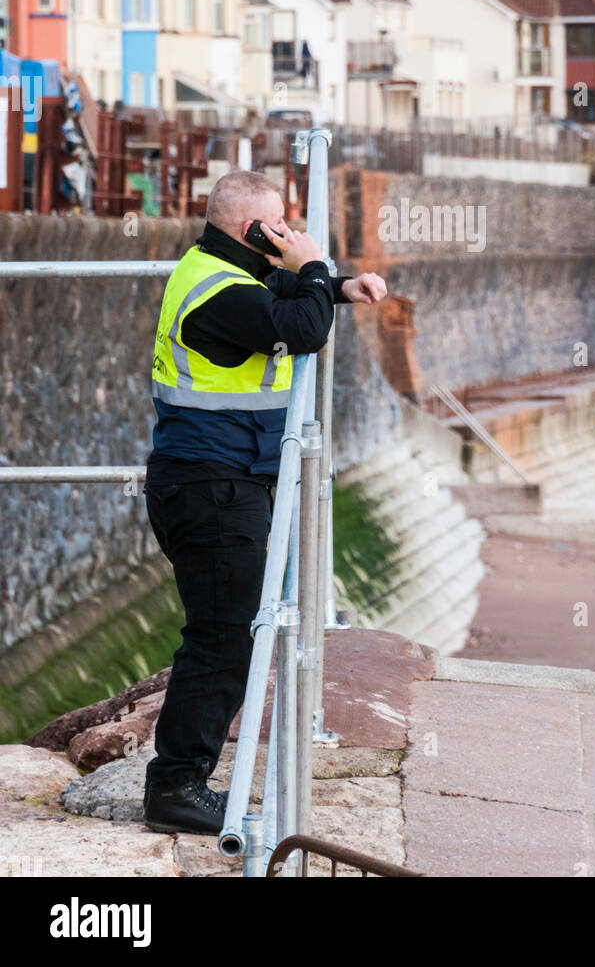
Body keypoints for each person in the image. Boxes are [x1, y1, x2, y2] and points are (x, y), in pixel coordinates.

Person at [143, 169, 387, 835]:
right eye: (277, 224)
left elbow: (286, 299)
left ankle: (182, 778)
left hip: (213, 480)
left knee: (226, 632)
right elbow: (299, 329)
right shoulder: (218, 294)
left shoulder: (221, 271)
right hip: (211, 487)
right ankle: (174, 787)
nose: (287, 232)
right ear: (248, 230)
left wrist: (336, 286)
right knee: (223, 637)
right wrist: (313, 264)